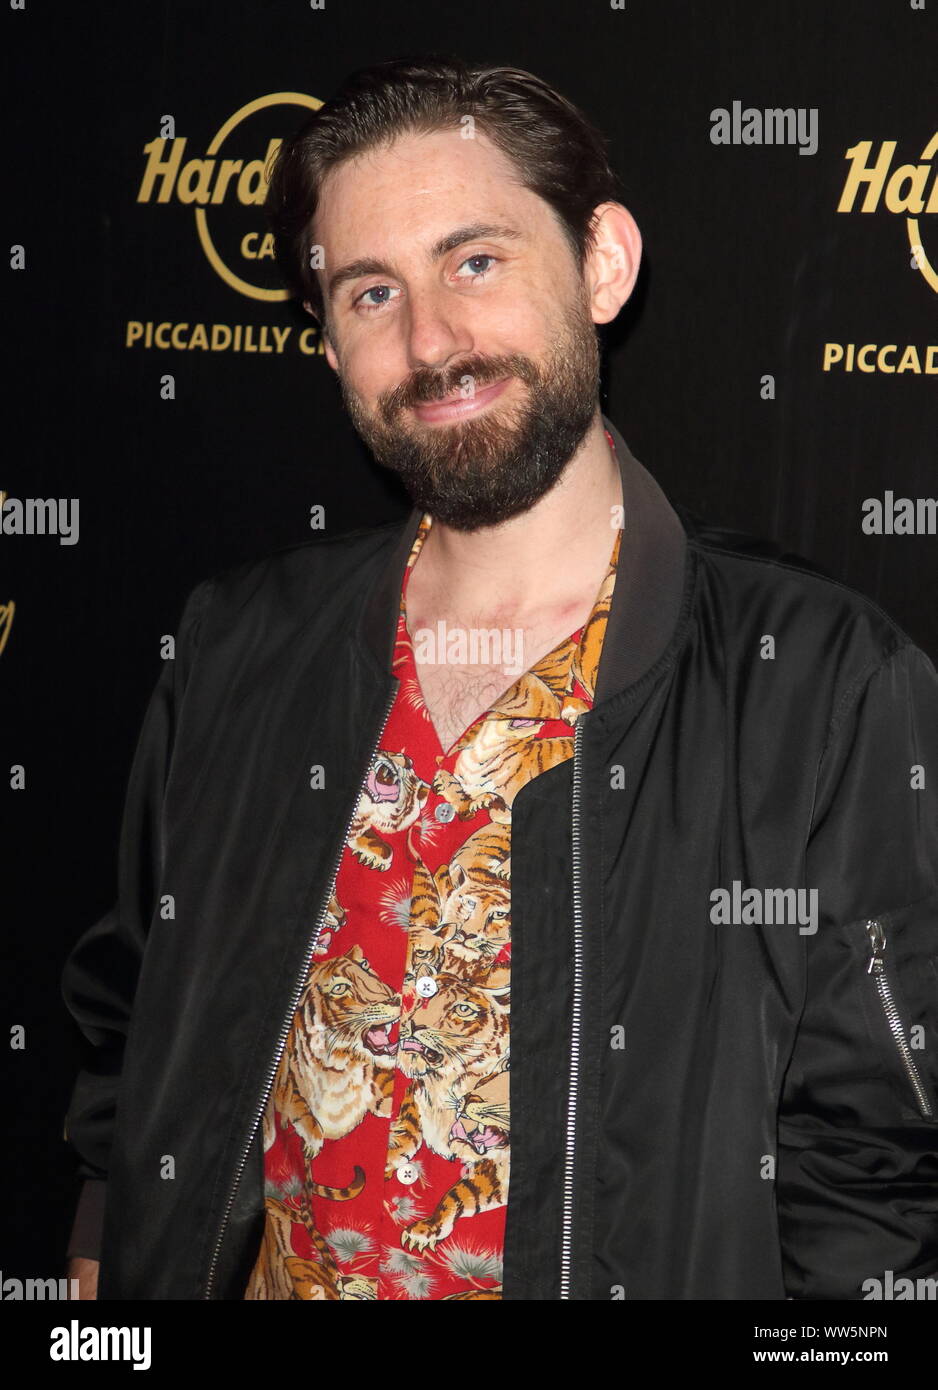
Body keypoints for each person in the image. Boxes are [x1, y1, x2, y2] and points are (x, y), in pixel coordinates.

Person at [62, 54, 938, 1301]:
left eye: (474, 262)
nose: (430, 340)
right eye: (371, 292)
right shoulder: (236, 645)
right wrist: (103, 1248)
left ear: (601, 265)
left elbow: (879, 1162)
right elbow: (137, 1007)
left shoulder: (820, 686)